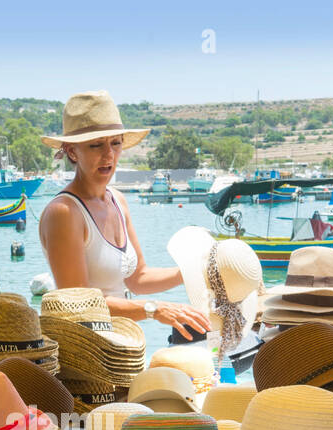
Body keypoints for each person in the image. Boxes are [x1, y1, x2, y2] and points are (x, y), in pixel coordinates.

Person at [39, 91, 210, 342]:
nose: (109, 155)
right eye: (96, 145)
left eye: (116, 143)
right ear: (72, 152)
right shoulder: (64, 213)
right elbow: (78, 305)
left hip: (123, 347)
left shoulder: (118, 200)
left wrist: (195, 272)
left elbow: (138, 279)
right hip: (83, 356)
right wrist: (153, 310)